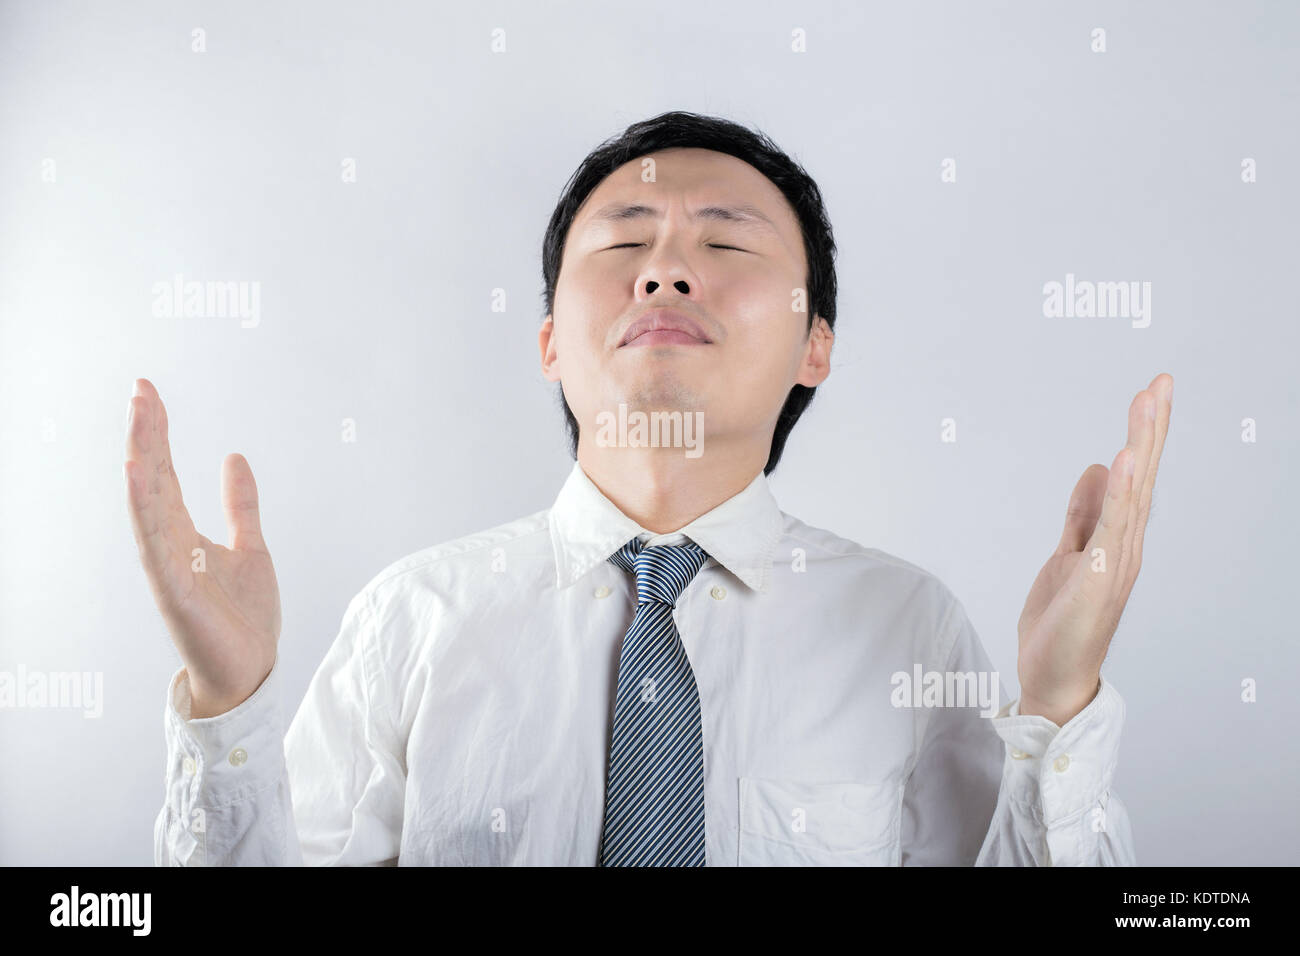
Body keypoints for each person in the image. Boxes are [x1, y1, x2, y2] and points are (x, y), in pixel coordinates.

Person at [126, 111, 1172, 866]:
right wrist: (229, 711)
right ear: (548, 343)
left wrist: (1058, 703)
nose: (666, 271)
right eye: (624, 240)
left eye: (723, 242)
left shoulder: (906, 627)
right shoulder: (414, 618)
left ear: (816, 345)